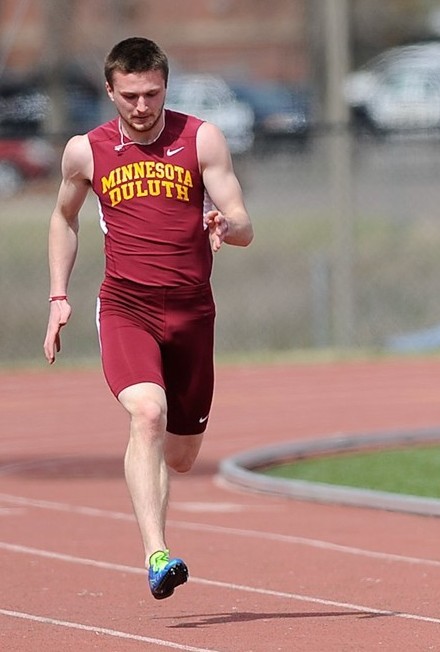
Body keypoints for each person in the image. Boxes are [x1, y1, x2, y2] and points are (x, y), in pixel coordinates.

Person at [43, 37, 253, 599]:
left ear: (166, 87)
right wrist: (58, 297)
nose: (142, 106)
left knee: (181, 458)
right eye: (130, 95)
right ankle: (157, 555)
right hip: (125, 306)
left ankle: (157, 479)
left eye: (152, 93)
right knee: (146, 412)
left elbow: (242, 220)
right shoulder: (86, 151)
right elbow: (65, 220)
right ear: (110, 91)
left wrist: (226, 228)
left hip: (191, 313)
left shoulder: (200, 138)